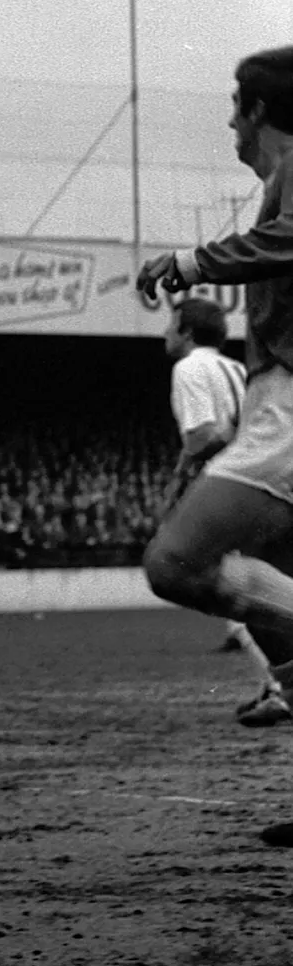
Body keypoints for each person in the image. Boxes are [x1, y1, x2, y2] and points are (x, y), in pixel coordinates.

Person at [137, 47, 293, 769]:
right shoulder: (278, 184)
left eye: (237, 103)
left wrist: (190, 262)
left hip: (288, 409)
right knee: (278, 610)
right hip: (271, 402)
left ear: (259, 110)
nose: (230, 118)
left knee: (177, 562)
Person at [159, 299, 279, 724]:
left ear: (187, 331)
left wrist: (179, 479)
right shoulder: (235, 368)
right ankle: (276, 682)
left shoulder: (189, 368)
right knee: (254, 582)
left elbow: (203, 433)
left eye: (171, 324)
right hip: (264, 481)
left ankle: (280, 685)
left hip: (228, 483)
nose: (166, 333)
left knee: (221, 585)